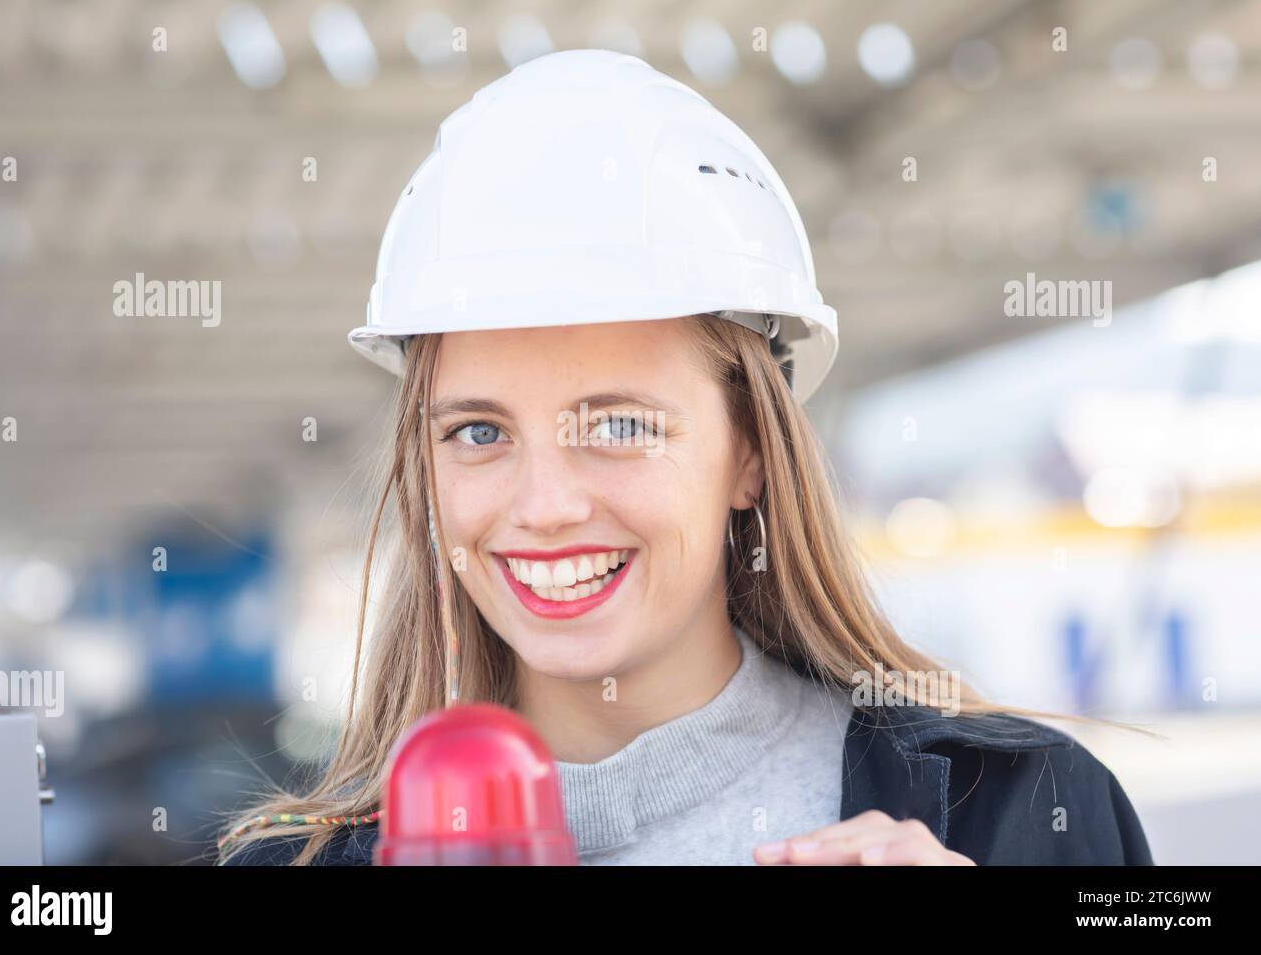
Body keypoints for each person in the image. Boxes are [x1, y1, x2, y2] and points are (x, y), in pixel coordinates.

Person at [217, 49, 1153, 867]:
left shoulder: (1020, 818)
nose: (542, 505)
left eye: (619, 425)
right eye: (479, 432)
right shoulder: (299, 864)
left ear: (750, 452)